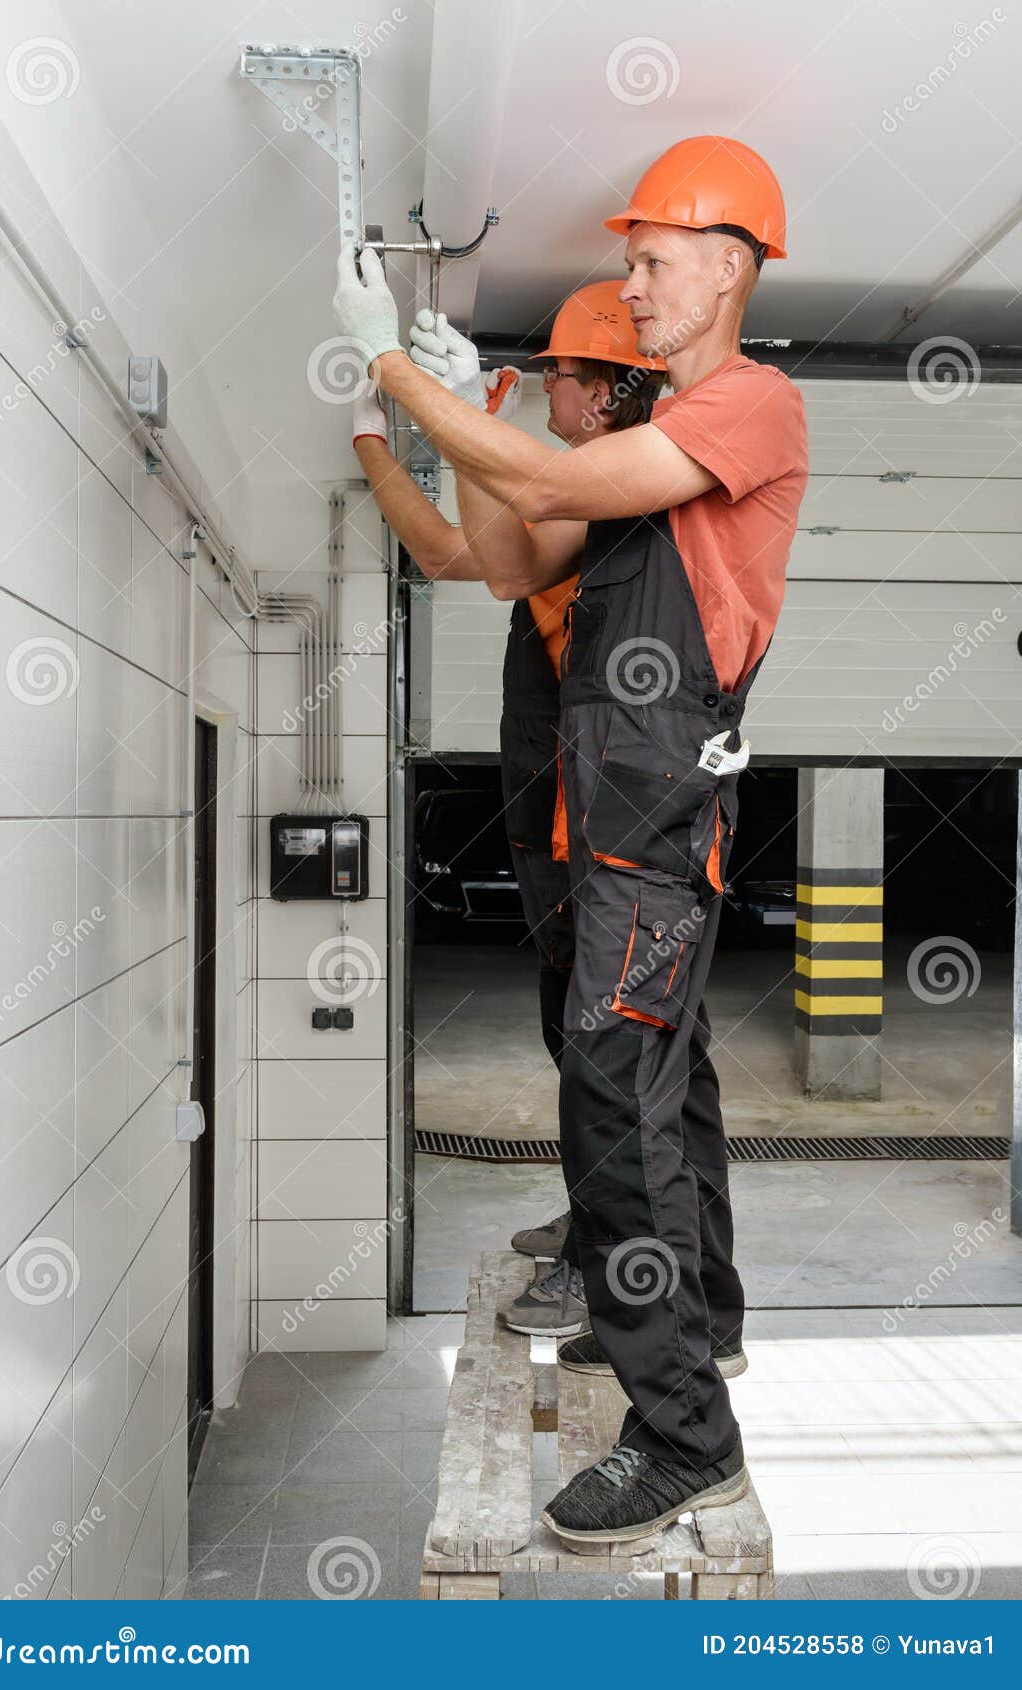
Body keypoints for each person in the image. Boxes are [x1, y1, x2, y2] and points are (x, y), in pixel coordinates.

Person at [333, 133, 809, 1550]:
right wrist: (464, 410)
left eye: (655, 259)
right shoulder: (650, 460)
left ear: (727, 267)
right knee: (654, 1094)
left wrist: (397, 382)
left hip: (652, 837)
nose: (637, 284)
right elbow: (510, 545)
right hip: (614, 830)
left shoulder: (753, 407)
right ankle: (690, 1329)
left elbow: (548, 490)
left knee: (614, 1107)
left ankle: (684, 1435)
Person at [352, 285, 662, 1299]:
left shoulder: (597, 500)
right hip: (546, 817)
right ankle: (595, 1220)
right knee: (568, 1036)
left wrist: (471, 425)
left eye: (562, 374)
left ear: (610, 394)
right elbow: (454, 551)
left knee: (602, 1053)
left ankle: (607, 1261)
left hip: (594, 825)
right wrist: (375, 449)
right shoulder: (564, 492)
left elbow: (493, 554)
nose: (546, 386)